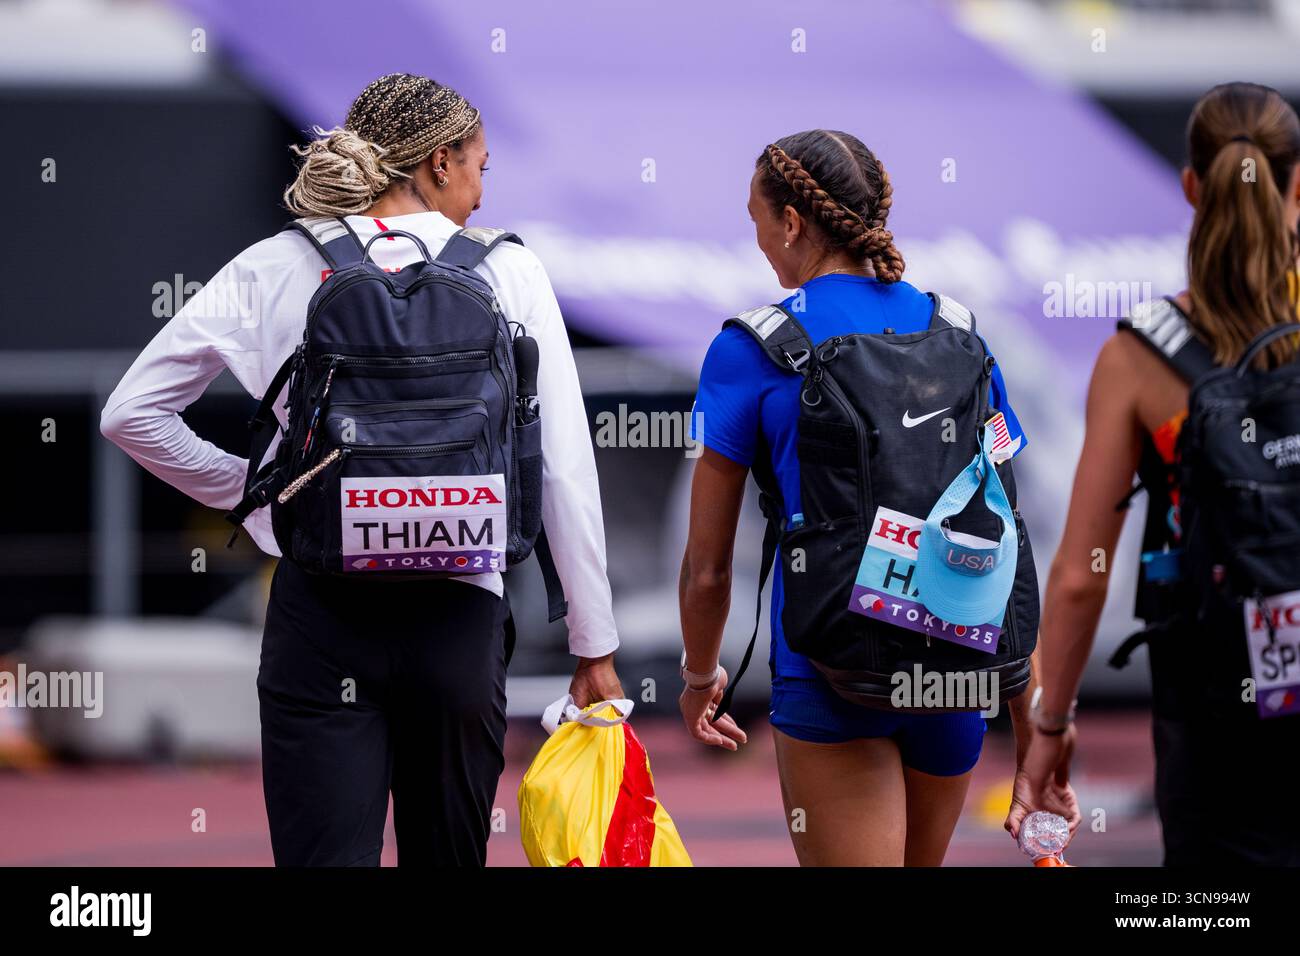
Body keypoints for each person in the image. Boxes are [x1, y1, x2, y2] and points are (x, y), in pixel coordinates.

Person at [100, 73, 624, 867]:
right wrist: (594, 645)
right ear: (441, 162)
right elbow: (562, 472)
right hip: (459, 617)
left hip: (322, 612)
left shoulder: (275, 262)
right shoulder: (509, 271)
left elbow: (130, 414)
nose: (483, 193)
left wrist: (262, 500)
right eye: (481, 167)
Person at [677, 129, 1059, 866]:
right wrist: (1033, 725)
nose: (755, 234)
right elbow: (1008, 533)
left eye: (755, 215)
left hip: (829, 675)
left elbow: (707, 567)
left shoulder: (750, 350)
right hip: (955, 668)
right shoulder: (963, 337)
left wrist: (698, 678)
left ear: (792, 222)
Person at [1010, 82, 1300, 865]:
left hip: (1213, 695)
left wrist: (1050, 724)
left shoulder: (1140, 355)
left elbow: (1080, 575)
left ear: (1189, 187)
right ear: (1297, 183)